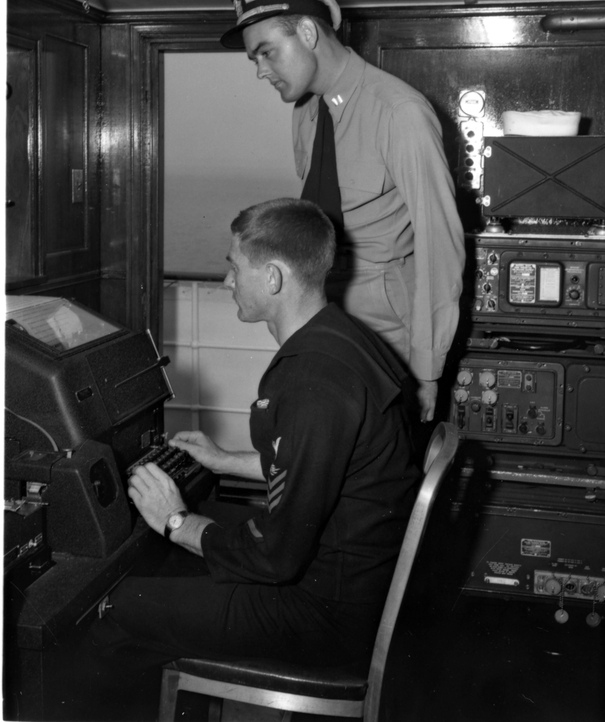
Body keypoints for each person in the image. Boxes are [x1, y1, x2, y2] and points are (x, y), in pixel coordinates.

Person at [77, 198, 419, 720]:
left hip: (323, 615)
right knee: (171, 576)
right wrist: (224, 460)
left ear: (274, 278)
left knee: (119, 606)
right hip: (349, 584)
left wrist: (175, 520)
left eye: (235, 265)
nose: (226, 280)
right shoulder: (342, 342)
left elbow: (274, 558)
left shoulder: (314, 379)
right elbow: (326, 471)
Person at [220, 0, 466, 423]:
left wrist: (427, 372)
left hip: (387, 333)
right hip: (319, 323)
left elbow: (440, 245)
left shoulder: (400, 113)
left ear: (308, 33)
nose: (260, 71)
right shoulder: (306, 114)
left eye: (267, 52)